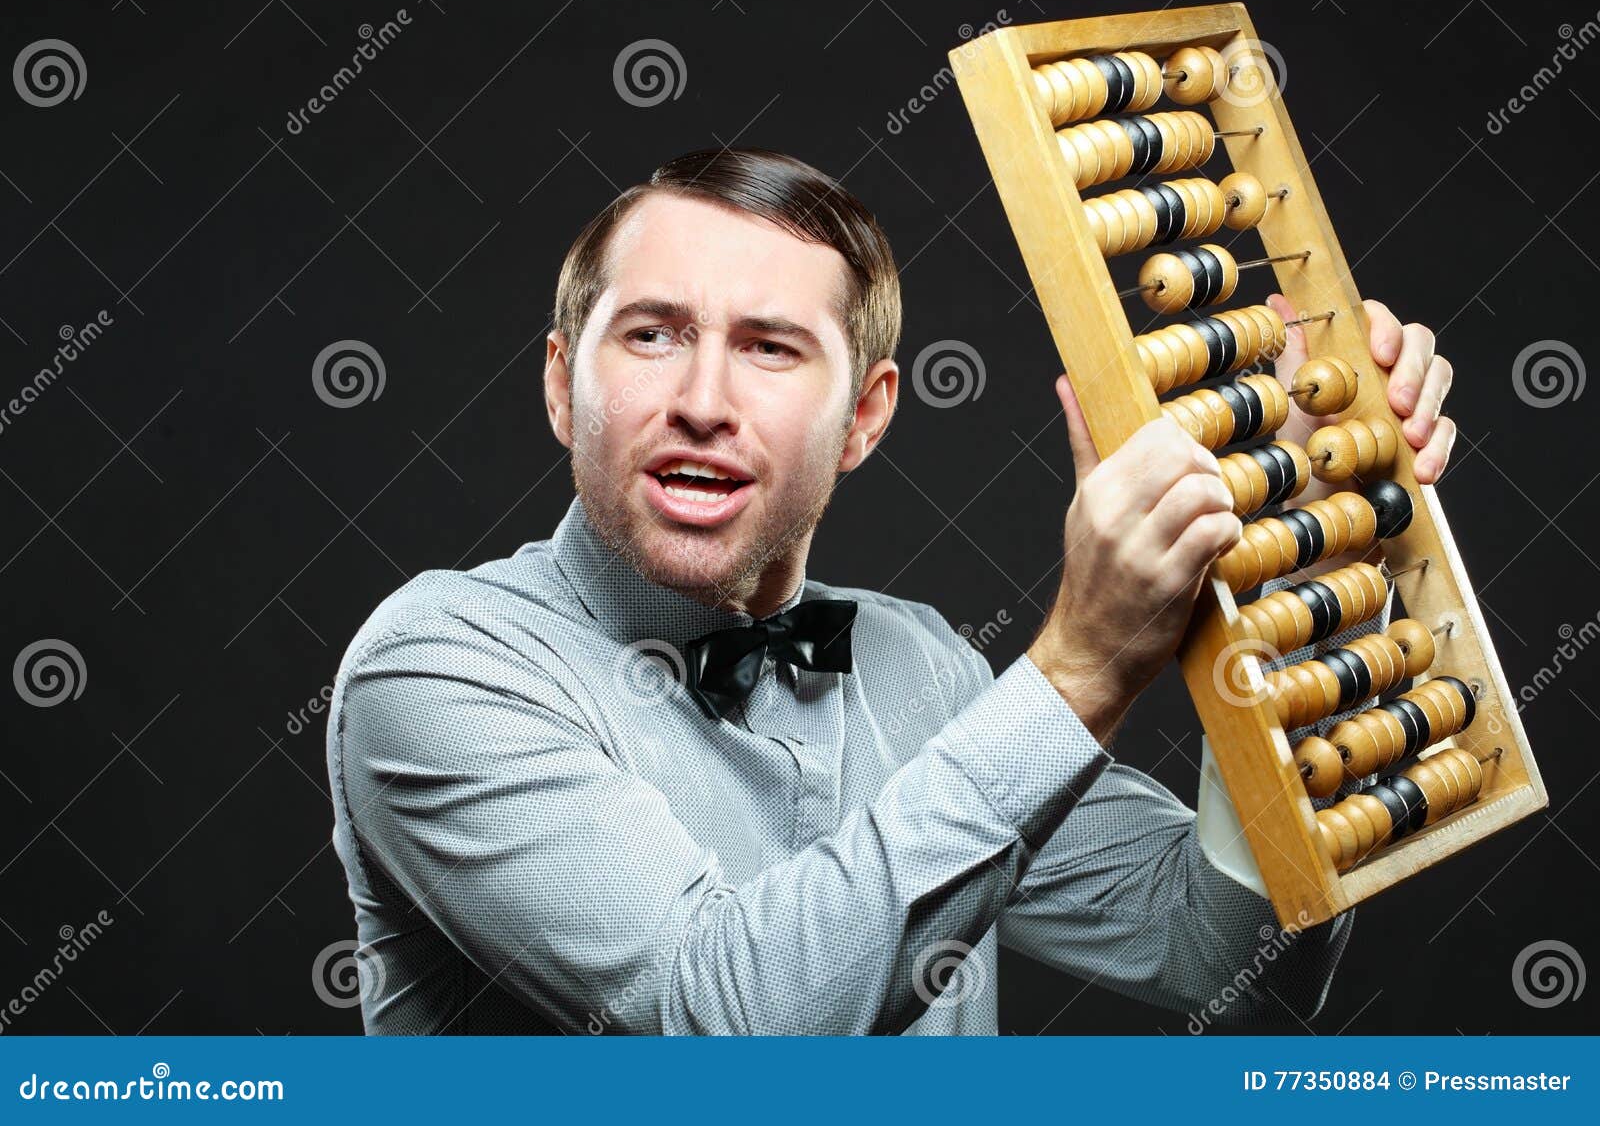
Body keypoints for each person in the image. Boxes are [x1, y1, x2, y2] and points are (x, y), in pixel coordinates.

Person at [324, 147, 1457, 1034]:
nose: (703, 399)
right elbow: (726, 1016)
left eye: (771, 347)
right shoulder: (436, 666)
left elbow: (1228, 961)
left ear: (863, 417)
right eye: (652, 334)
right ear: (565, 386)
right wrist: (1084, 669)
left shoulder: (926, 666)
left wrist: (1295, 544)